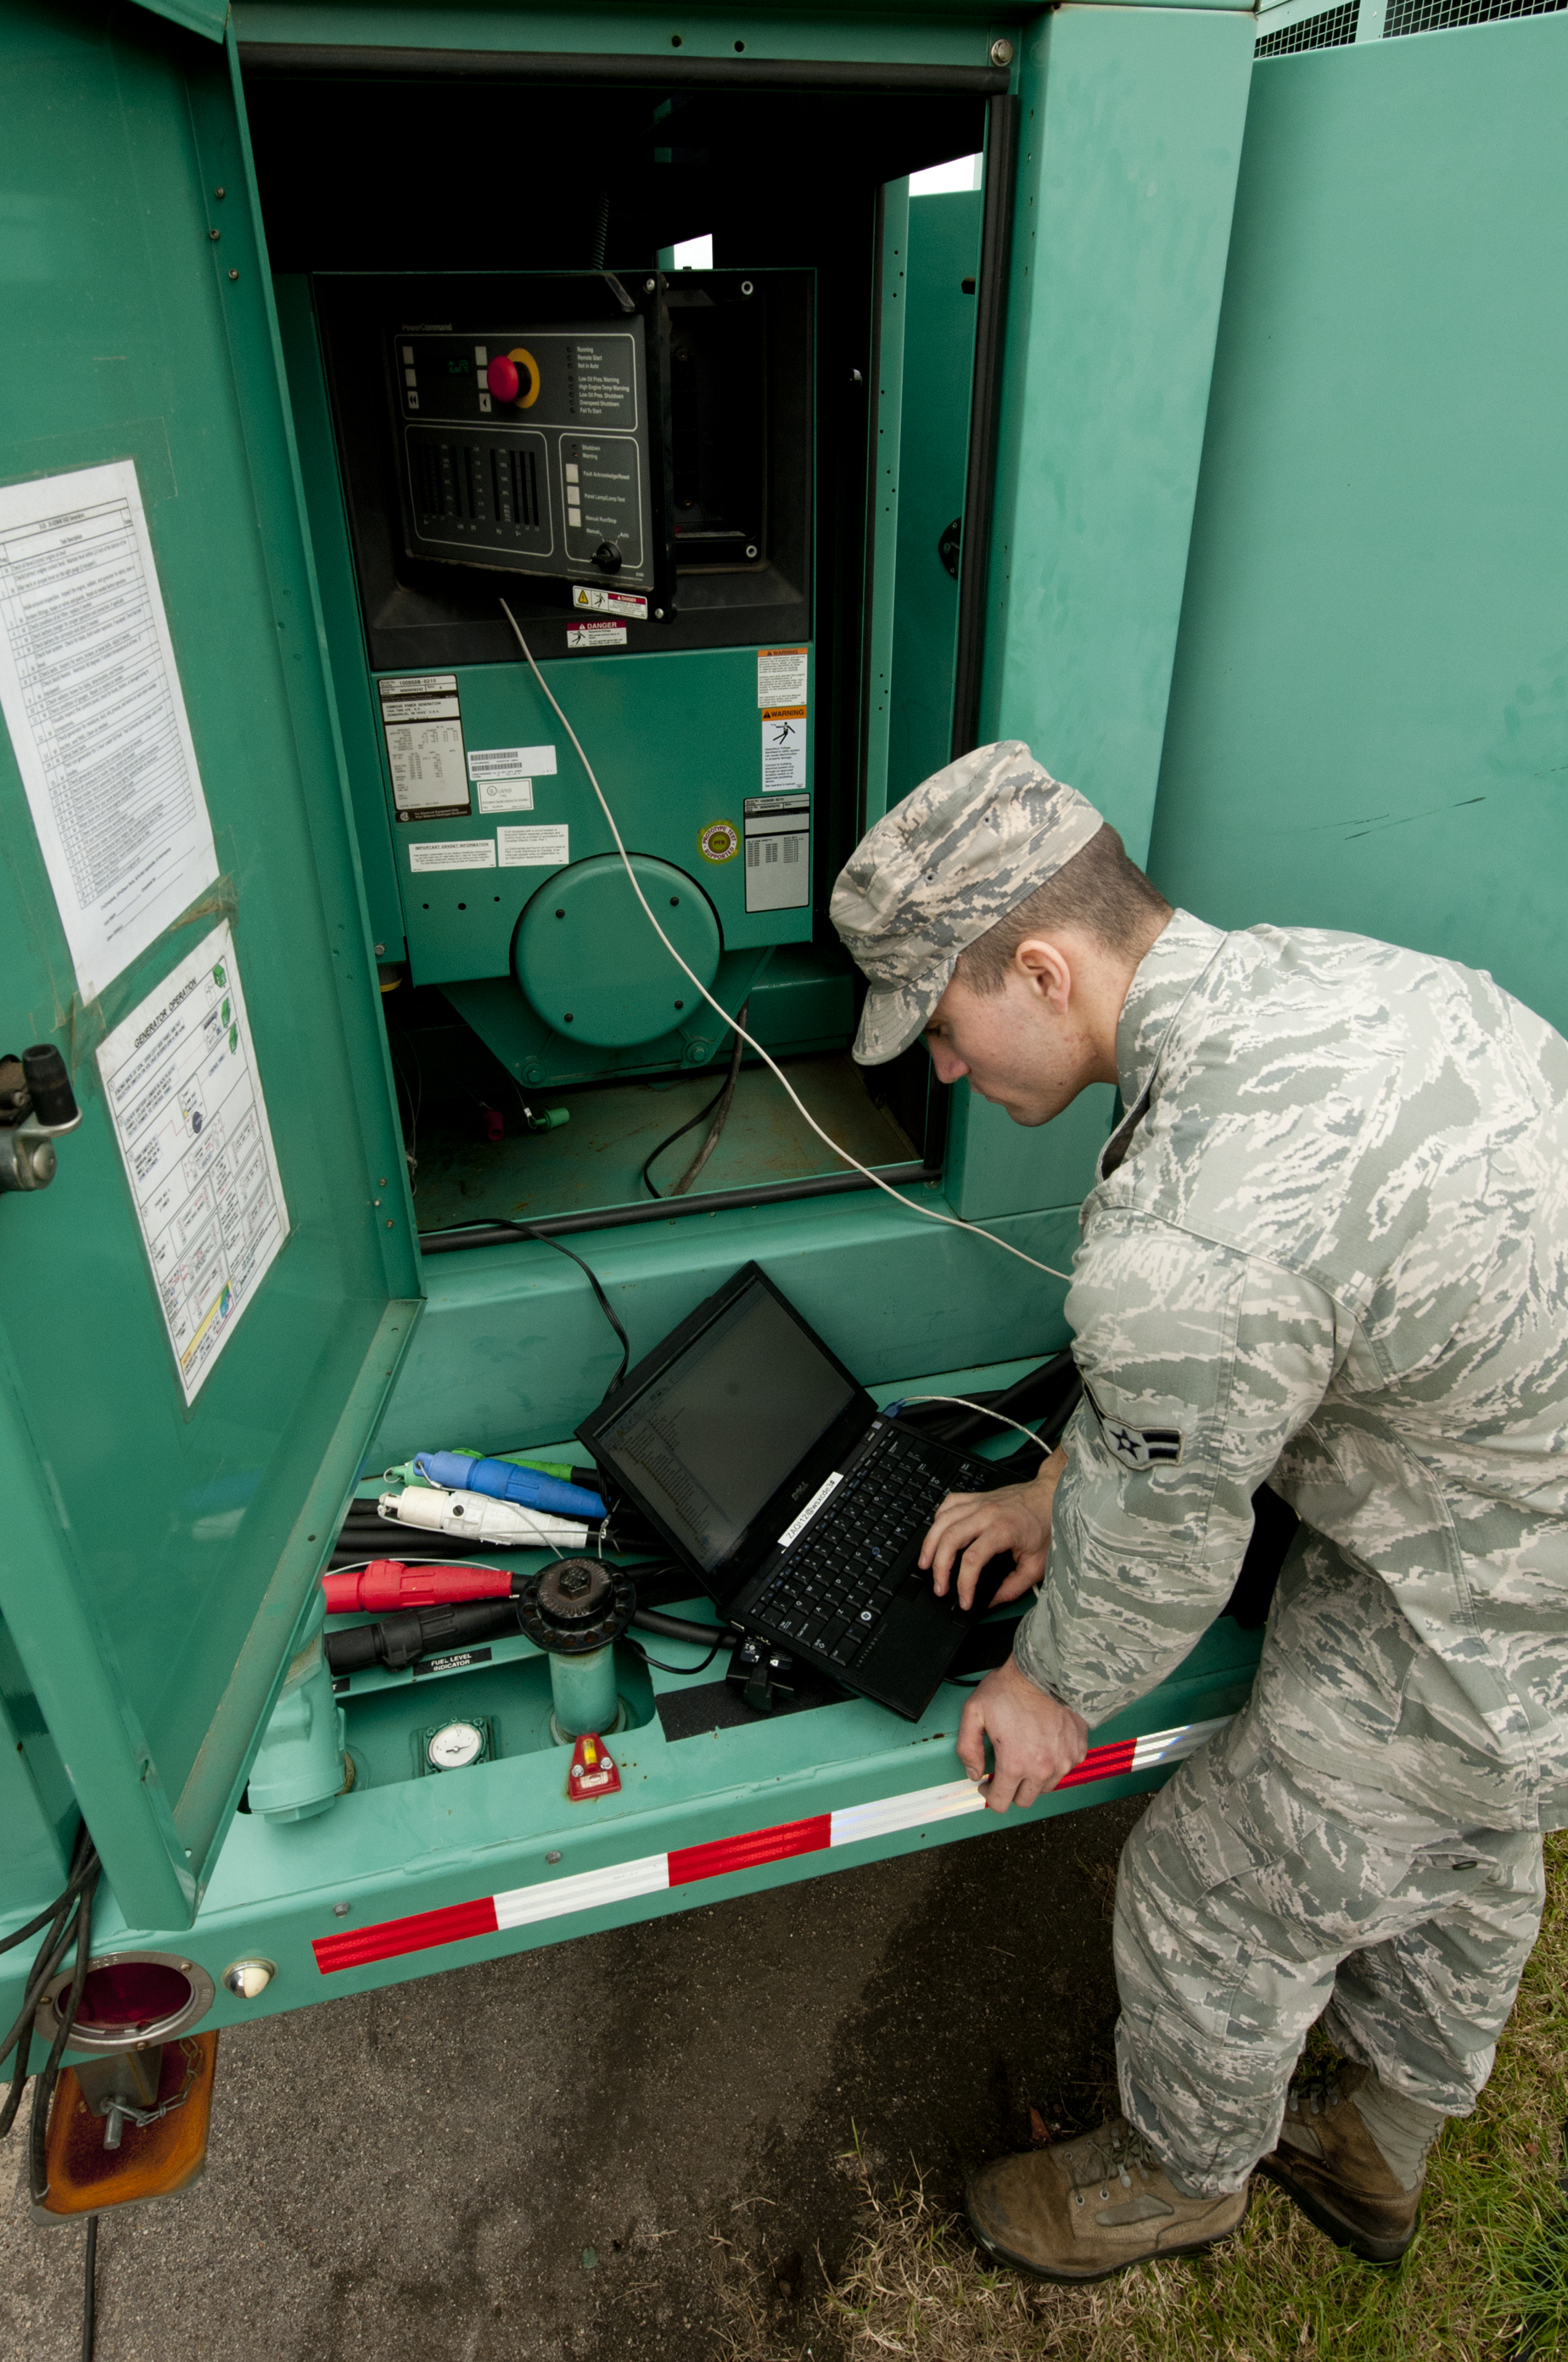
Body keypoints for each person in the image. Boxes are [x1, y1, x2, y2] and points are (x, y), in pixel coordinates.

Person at [830, 742, 1568, 2283]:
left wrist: (1049, 1686)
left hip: (1504, 1592)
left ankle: (1180, 2178)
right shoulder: (1329, 979)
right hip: (1495, 1481)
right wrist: (1059, 1486)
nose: (944, 1071)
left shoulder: (1195, 1232)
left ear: (1044, 968)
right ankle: (1384, 2139)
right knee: (1465, 1832)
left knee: (1218, 1881)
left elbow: (1168, 1539)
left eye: (944, 1025)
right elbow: (1236, 1357)